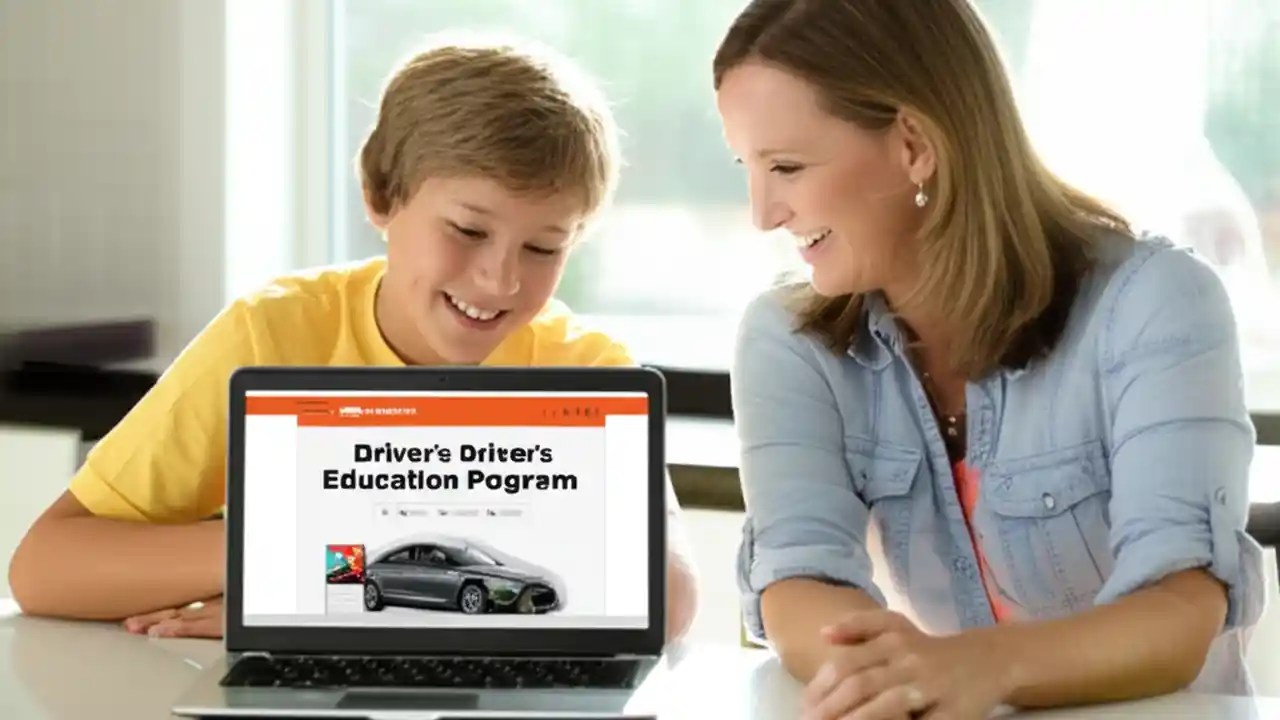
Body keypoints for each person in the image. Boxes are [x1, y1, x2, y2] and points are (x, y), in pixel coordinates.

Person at [8, 34, 698, 645]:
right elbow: (43, 569)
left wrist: (322, 600)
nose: (500, 280)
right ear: (380, 193)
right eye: (467, 230)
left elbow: (667, 600)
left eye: (545, 247)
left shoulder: (585, 367)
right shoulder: (272, 332)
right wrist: (285, 560)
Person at [712, 1, 1266, 718]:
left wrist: (971, 669)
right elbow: (798, 576)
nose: (763, 213)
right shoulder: (787, 341)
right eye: (747, 167)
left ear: (913, 145)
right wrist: (900, 679)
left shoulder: (1156, 301)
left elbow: (1178, 615)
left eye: (786, 166)